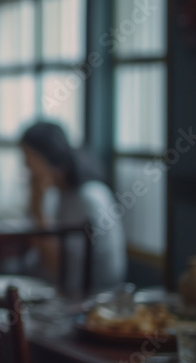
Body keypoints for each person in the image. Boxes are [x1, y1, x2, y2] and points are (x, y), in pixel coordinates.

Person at [20, 121, 127, 293]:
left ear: (46, 156)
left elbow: (57, 267)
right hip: (66, 287)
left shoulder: (88, 198)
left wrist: (37, 209)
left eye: (28, 159)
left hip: (90, 295)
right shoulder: (60, 193)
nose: (26, 167)